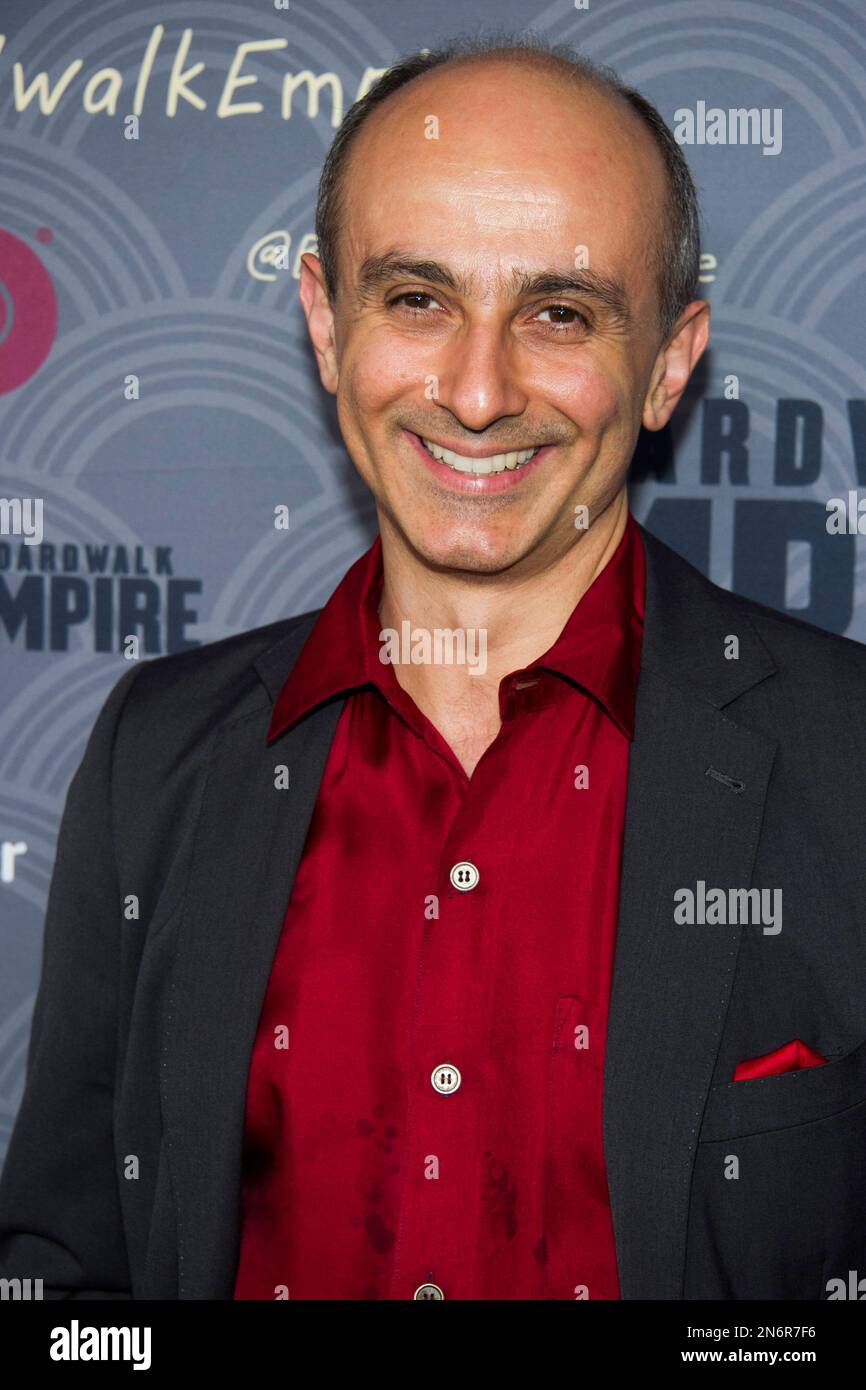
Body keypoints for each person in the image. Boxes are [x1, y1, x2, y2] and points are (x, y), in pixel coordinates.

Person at [2, 33, 865, 1302]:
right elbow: (66, 1276)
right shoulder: (158, 751)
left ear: (670, 362)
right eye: (417, 299)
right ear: (323, 321)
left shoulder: (847, 759)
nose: (474, 391)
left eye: (557, 313)